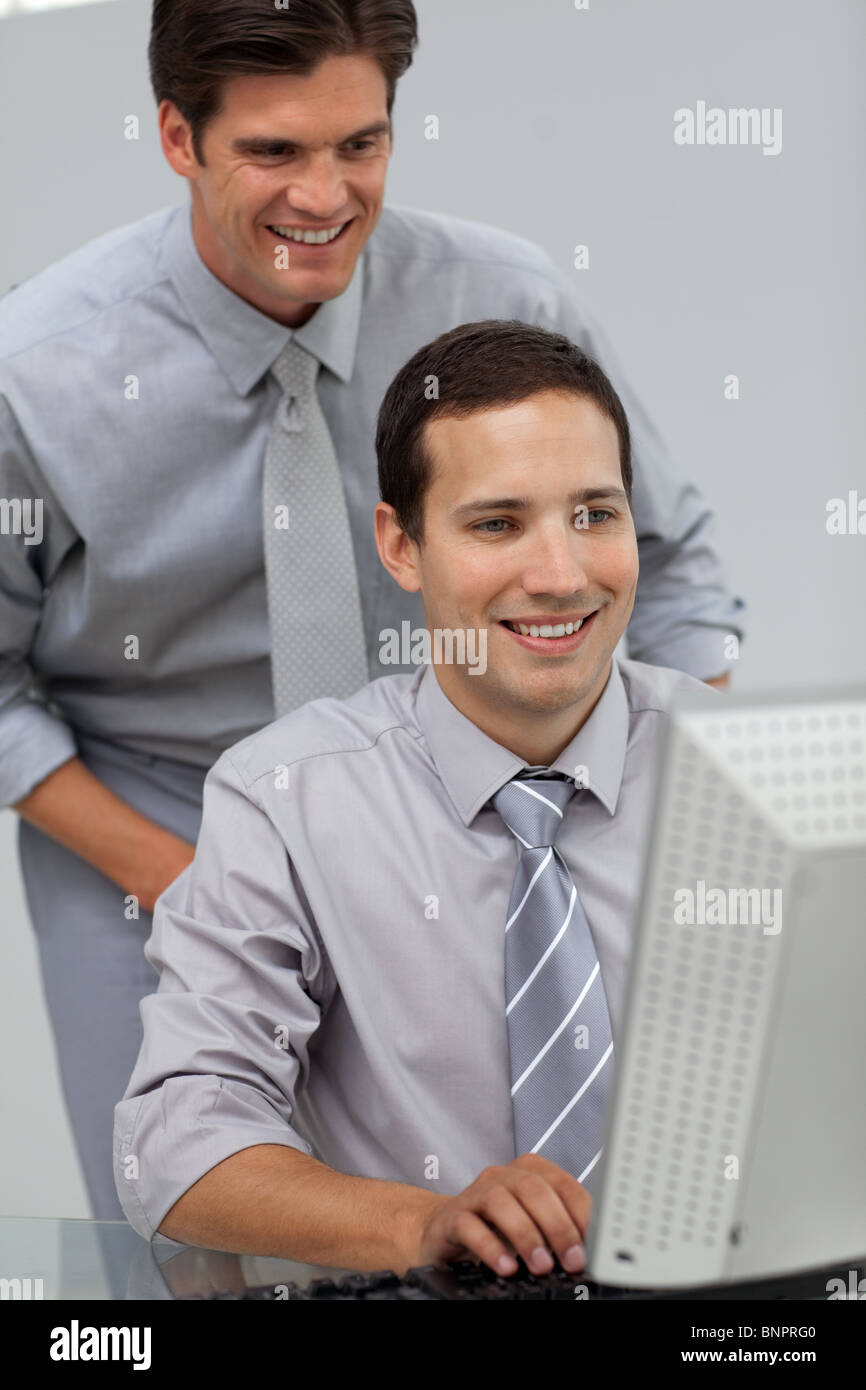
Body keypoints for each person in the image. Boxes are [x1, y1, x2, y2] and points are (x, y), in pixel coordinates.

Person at [1, 0, 742, 1221]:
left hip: (484, 801)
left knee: (537, 1214)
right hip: (154, 815)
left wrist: (663, 815)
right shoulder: (39, 374)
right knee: (188, 1219)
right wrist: (197, 876)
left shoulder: (504, 300)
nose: (326, 195)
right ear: (178, 139)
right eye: (274, 153)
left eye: (361, 144)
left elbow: (671, 568)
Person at [114, 321, 718, 1277]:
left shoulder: (741, 772)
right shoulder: (286, 800)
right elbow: (177, 1143)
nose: (561, 576)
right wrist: (426, 1228)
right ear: (402, 545)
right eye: (496, 524)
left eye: (595, 515)